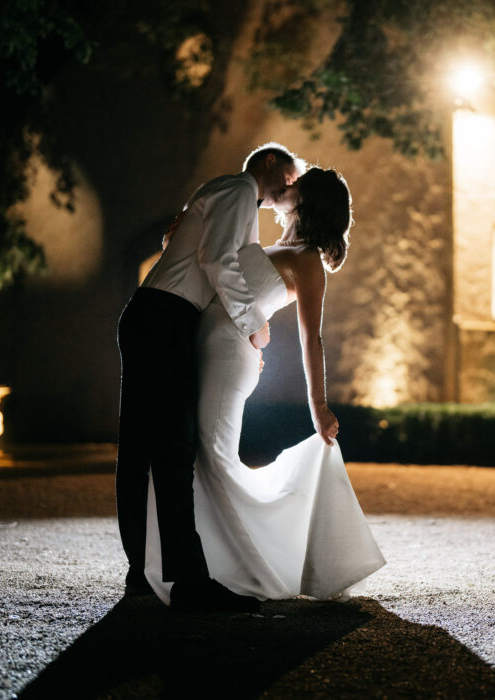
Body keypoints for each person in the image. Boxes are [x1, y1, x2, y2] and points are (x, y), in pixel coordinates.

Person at [144, 167, 386, 605]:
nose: (285, 187)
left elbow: (311, 336)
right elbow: (215, 266)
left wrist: (319, 405)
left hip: (228, 353)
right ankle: (204, 568)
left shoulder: (308, 260)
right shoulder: (271, 244)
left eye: (295, 186)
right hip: (209, 346)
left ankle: (252, 569)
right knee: (195, 456)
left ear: (308, 201)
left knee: (213, 457)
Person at [115, 143, 301, 611]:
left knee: (140, 447)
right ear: (270, 162)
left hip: (152, 313)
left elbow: (199, 251)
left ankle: (143, 572)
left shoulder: (227, 194)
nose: (289, 188)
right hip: (164, 317)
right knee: (174, 447)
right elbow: (220, 261)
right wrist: (253, 326)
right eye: (290, 177)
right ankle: (188, 582)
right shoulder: (239, 190)